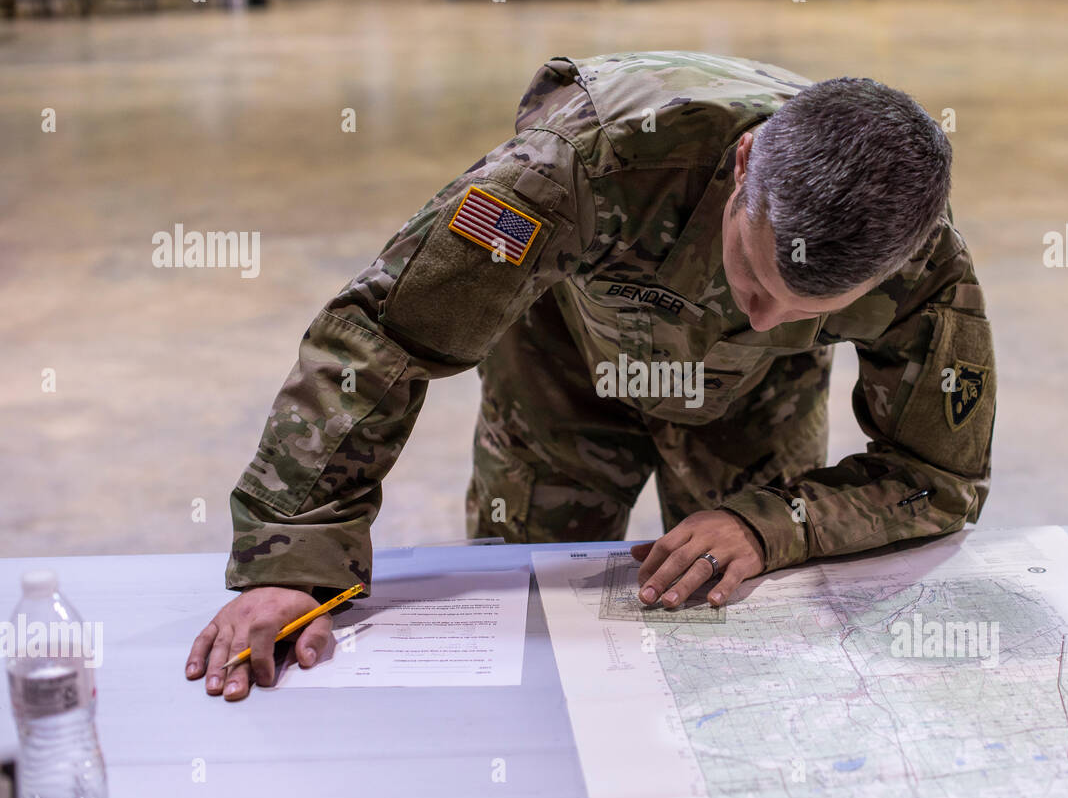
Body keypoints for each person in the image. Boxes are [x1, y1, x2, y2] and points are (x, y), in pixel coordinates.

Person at [186, 51, 997, 701]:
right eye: (752, 270)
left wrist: (774, 521)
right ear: (745, 162)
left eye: (803, 309)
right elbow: (384, 333)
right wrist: (296, 557)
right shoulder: (584, 159)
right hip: (561, 364)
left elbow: (937, 477)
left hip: (756, 397)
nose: (758, 314)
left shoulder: (924, 261)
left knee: (744, 627)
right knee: (526, 630)